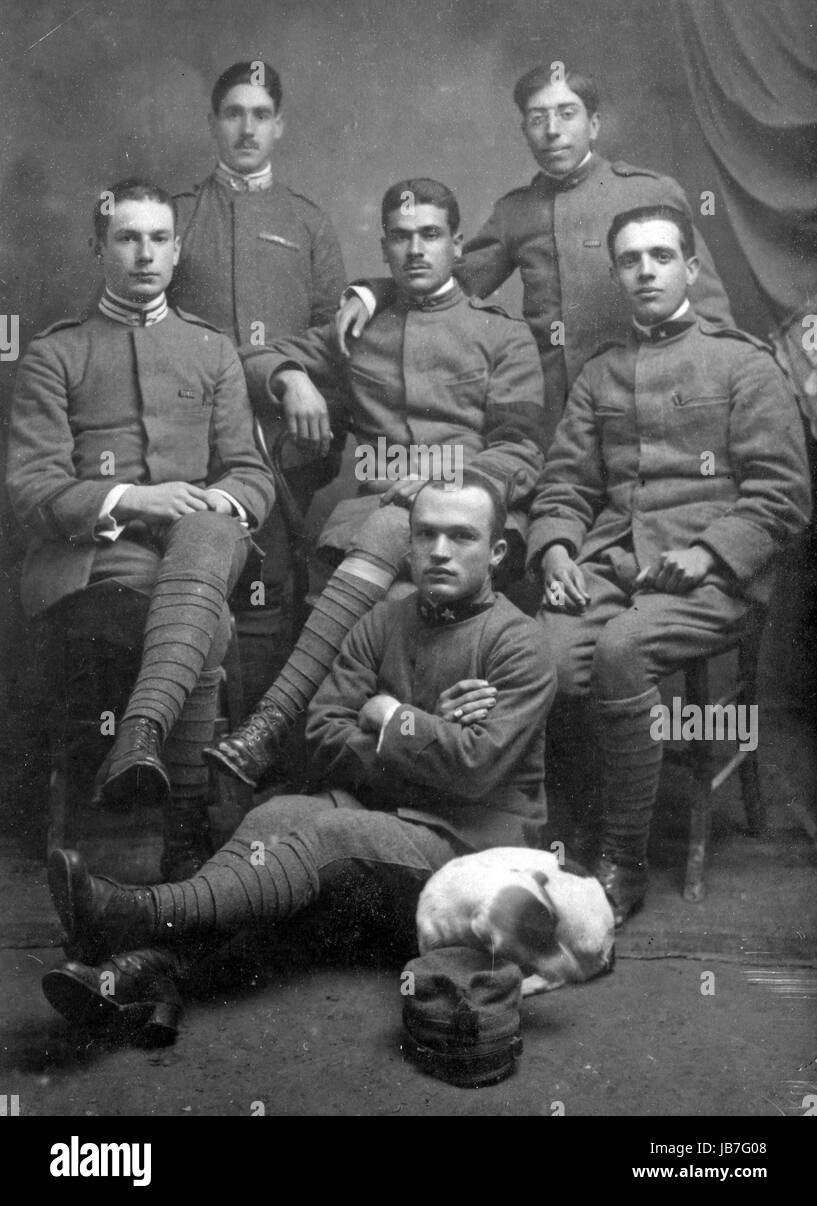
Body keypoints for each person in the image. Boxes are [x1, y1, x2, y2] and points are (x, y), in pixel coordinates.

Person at [42, 474, 556, 1044]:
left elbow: (473, 770)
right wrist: (431, 729)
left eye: (461, 537)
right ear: (407, 543)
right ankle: (142, 972)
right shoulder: (383, 622)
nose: (439, 552)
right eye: (426, 534)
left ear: (497, 552)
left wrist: (387, 715)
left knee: (324, 837)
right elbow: (323, 734)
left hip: (476, 852)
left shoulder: (519, 642)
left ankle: (137, 912)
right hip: (383, 817)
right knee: (273, 818)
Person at [203, 177, 546, 789]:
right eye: (401, 237)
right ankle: (342, 768)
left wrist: (446, 479)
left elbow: (520, 448)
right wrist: (292, 378)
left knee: (396, 521)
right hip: (375, 528)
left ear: (457, 245)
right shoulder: (363, 328)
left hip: (475, 523)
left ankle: (270, 724)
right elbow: (244, 359)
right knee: (387, 526)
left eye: (431, 236)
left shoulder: (502, 334)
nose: (416, 250)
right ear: (384, 247)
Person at [525, 204, 811, 925]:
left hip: (717, 576)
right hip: (614, 565)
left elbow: (782, 494)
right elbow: (564, 482)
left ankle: (622, 858)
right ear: (617, 274)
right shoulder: (601, 372)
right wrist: (556, 545)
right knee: (545, 655)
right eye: (629, 260)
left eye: (660, 255)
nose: (644, 270)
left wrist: (707, 550)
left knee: (621, 650)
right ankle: (573, 830)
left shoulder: (742, 362)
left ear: (689, 267)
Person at [5, 179, 276, 876]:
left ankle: (140, 744)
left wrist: (208, 507)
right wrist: (135, 499)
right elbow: (33, 491)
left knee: (213, 531)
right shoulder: (57, 354)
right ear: (99, 249)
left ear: (177, 250)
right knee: (209, 623)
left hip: (191, 546)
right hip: (93, 560)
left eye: (158, 239)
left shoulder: (210, 350)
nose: (144, 255)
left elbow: (249, 472)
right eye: (126, 239)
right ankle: (185, 832)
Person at [336, 66, 734, 450]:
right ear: (524, 131)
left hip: (644, 387)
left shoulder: (650, 193)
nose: (553, 130)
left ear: (593, 125)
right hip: (553, 407)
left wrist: (706, 386)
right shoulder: (516, 212)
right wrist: (373, 293)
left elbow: (708, 308)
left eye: (566, 114)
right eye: (537, 118)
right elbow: (446, 279)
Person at [170, 61, 348, 698]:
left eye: (261, 115)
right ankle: (194, 751)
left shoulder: (307, 221)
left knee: (273, 589)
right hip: (189, 434)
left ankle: (257, 756)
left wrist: (292, 375)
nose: (247, 128)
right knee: (194, 584)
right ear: (214, 123)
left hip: (281, 437)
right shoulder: (178, 216)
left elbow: (335, 335)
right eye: (233, 114)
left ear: (280, 126)